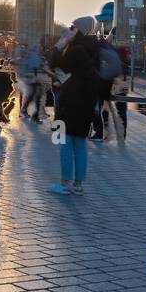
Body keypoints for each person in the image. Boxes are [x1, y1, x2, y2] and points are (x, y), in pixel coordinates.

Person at [48, 17, 99, 195]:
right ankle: (78, 185)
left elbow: (53, 64)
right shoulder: (93, 48)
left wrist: (60, 44)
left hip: (69, 103)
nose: (69, 30)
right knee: (80, 144)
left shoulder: (76, 50)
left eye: (72, 27)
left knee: (64, 143)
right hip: (86, 104)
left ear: (79, 30)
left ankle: (64, 184)